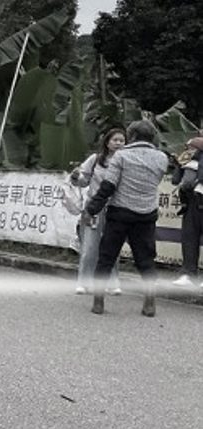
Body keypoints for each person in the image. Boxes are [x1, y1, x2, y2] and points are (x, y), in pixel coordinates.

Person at [85, 120, 170, 317]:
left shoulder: (121, 156)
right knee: (146, 260)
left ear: (131, 137)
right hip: (146, 214)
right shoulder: (161, 158)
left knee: (106, 258)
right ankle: (149, 303)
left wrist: (92, 208)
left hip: (120, 213)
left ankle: (98, 301)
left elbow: (108, 186)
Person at [69, 128, 125, 295]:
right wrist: (75, 177)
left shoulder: (126, 161)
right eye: (115, 140)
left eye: (122, 140)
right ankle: (83, 282)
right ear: (107, 142)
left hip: (115, 208)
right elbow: (83, 181)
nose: (118, 143)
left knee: (112, 247)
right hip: (94, 208)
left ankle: (112, 283)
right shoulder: (95, 160)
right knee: (89, 246)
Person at [172, 137, 203, 288]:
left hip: (196, 198)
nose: (188, 151)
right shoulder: (188, 159)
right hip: (193, 202)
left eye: (191, 148)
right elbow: (180, 181)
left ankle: (189, 273)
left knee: (191, 238)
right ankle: (188, 273)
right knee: (189, 238)